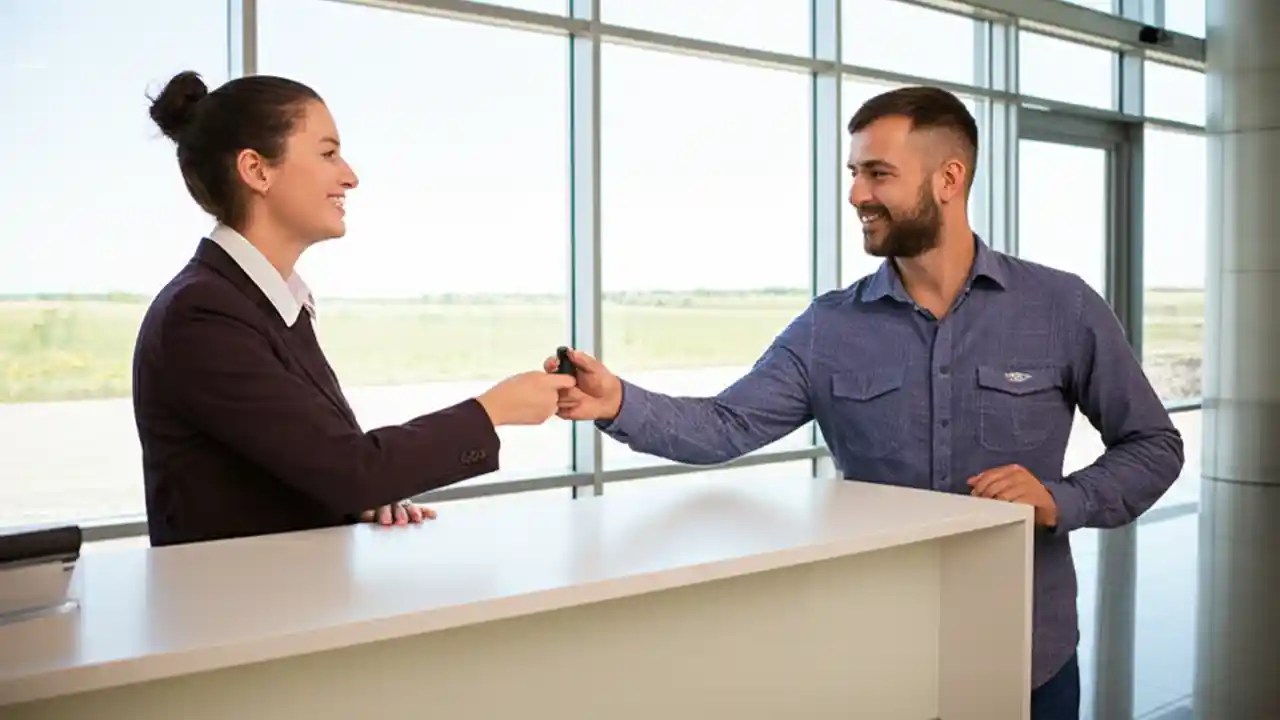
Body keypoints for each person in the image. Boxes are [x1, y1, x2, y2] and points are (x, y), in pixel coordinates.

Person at [547, 86, 1183, 719]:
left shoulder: (1061, 308)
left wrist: (1058, 499)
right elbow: (724, 427)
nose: (856, 195)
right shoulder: (830, 327)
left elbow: (1154, 445)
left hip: (1026, 658)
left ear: (949, 179)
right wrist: (616, 401)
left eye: (878, 173)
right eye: (854, 173)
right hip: (874, 661)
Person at [134, 71, 576, 547]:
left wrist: (354, 497)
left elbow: (312, 462)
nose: (350, 176)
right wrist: (493, 411)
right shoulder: (201, 316)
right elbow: (351, 468)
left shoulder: (269, 305)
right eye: (327, 154)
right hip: (235, 612)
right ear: (257, 170)